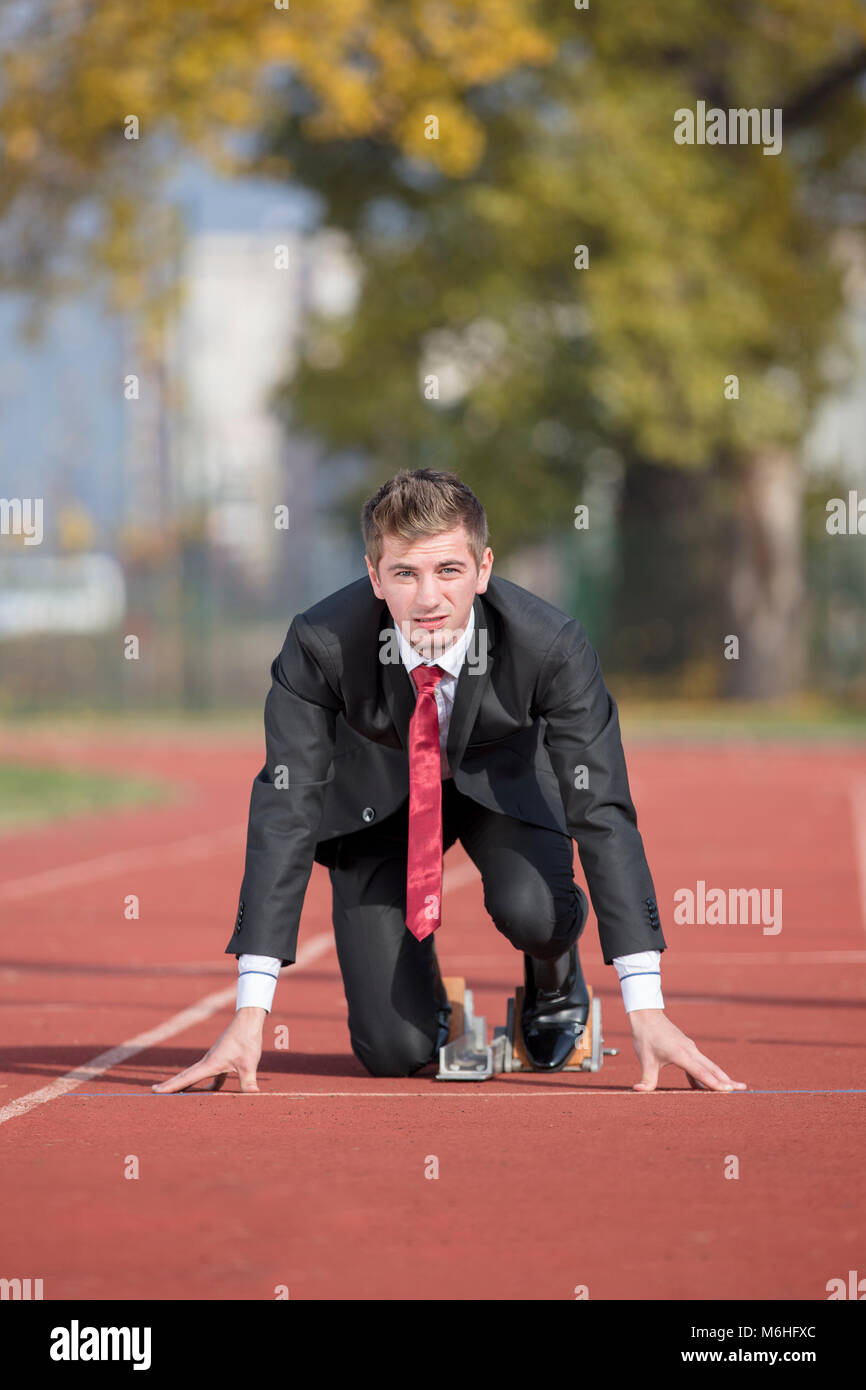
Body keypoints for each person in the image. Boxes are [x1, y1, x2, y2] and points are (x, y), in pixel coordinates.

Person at [154, 469, 746, 1096]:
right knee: (392, 1052)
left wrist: (645, 1007)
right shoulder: (320, 644)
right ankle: (436, 1014)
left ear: (484, 569)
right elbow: (286, 807)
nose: (429, 598)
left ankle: (555, 974)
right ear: (375, 576)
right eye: (405, 573)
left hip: (504, 785)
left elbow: (601, 807)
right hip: (377, 807)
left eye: (449, 572)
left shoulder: (552, 645)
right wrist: (250, 1015)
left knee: (532, 911)